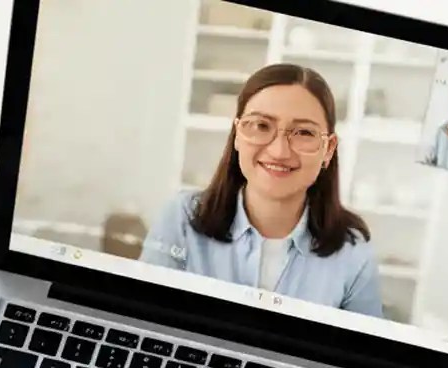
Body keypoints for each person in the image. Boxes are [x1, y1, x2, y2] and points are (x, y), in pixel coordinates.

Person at [139, 63, 383, 318]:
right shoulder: (182, 217)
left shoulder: (353, 252)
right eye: (261, 126)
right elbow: (144, 314)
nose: (279, 152)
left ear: (329, 149)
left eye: (303, 132)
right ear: (237, 134)